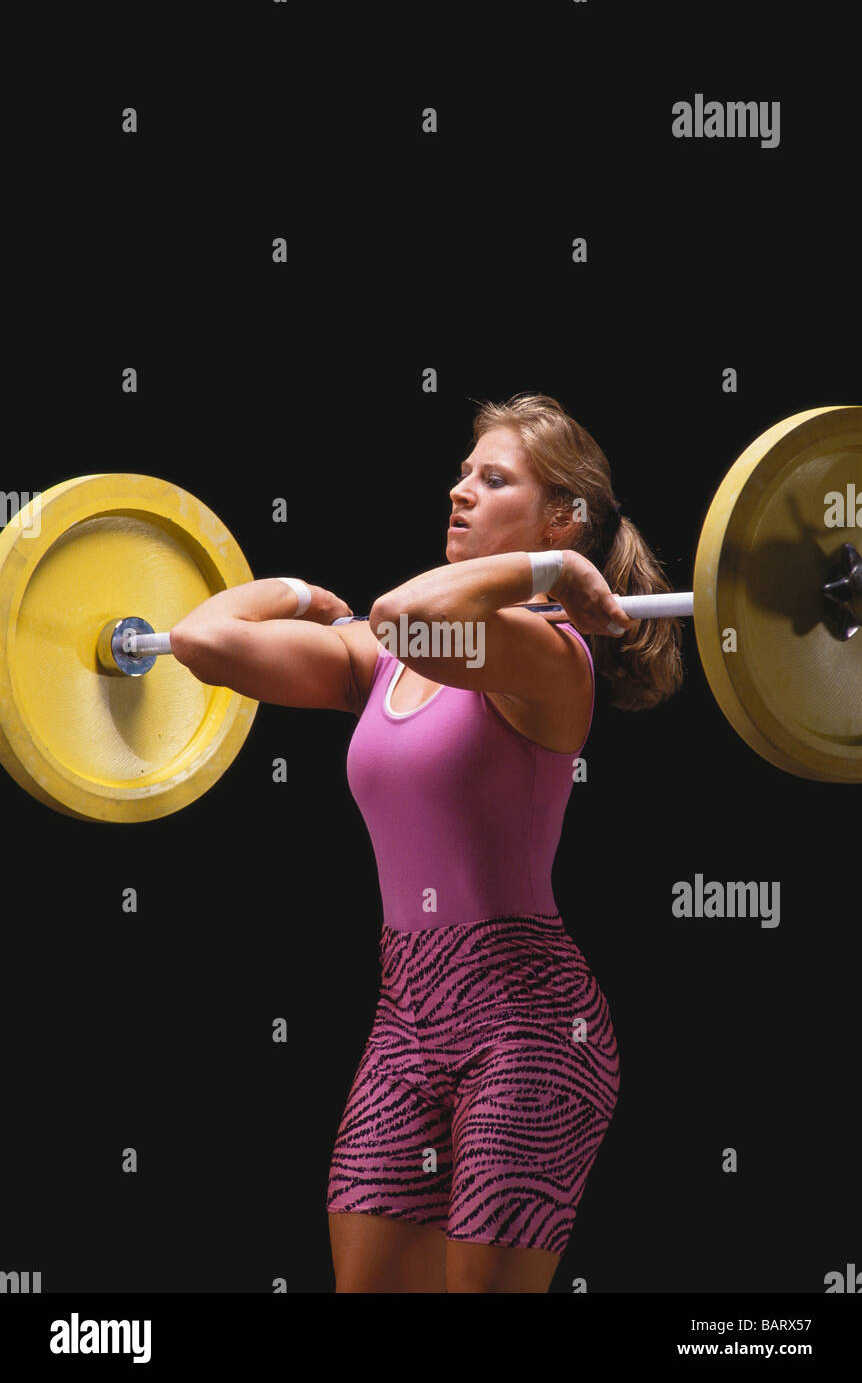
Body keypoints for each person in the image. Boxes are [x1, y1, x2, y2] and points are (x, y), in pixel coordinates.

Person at [170, 391, 684, 1292]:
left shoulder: (551, 657)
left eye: (493, 479)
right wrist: (299, 593)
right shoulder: (381, 659)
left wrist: (551, 575)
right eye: (461, 473)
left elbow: (408, 612)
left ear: (563, 518)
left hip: (530, 1023)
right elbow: (201, 639)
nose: (459, 492)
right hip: (406, 1013)